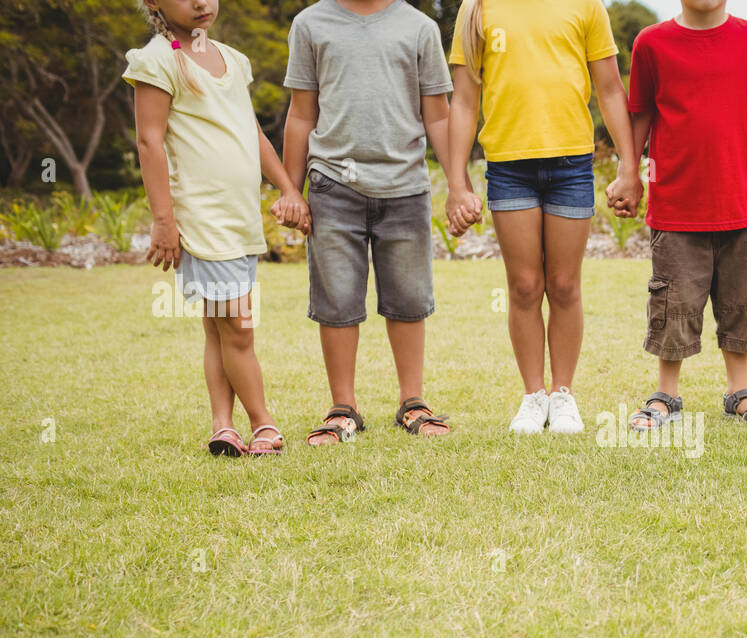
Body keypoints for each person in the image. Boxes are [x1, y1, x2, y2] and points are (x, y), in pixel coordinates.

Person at [445, 0, 642, 435]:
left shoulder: (586, 5)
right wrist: (457, 183)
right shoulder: (475, 9)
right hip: (509, 167)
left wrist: (630, 168)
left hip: (571, 166)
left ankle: (563, 394)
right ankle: (533, 396)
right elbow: (463, 99)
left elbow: (610, 89)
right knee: (524, 285)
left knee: (566, 285)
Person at [624, 0, 747, 430]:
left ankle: (740, 392)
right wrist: (627, 175)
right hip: (676, 207)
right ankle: (667, 396)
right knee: (673, 304)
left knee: (743, 302)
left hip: (741, 205)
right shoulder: (651, 44)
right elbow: (639, 116)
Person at [126, 0, 309, 457]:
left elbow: (252, 132)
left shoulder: (233, 59)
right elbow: (149, 142)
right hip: (202, 218)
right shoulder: (158, 60)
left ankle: (222, 426)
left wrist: (288, 187)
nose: (201, 2)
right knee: (239, 326)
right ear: (154, 3)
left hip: (238, 215)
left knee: (219, 327)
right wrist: (164, 221)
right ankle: (263, 423)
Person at [284, 0, 468, 445]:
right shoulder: (310, 24)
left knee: (408, 298)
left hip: (405, 186)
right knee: (337, 299)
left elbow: (438, 115)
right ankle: (343, 409)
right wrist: (291, 190)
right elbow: (302, 113)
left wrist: (458, 186)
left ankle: (413, 403)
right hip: (332, 186)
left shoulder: (419, 28)